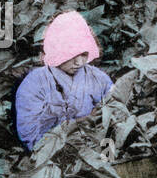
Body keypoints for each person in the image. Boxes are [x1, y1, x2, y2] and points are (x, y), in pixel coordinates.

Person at [15, 10, 113, 150]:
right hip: (52, 153)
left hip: (96, 150)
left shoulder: (98, 78)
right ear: (57, 51)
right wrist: (79, 123)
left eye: (84, 55)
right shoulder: (34, 83)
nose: (79, 62)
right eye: (72, 55)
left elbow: (116, 116)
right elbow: (30, 136)